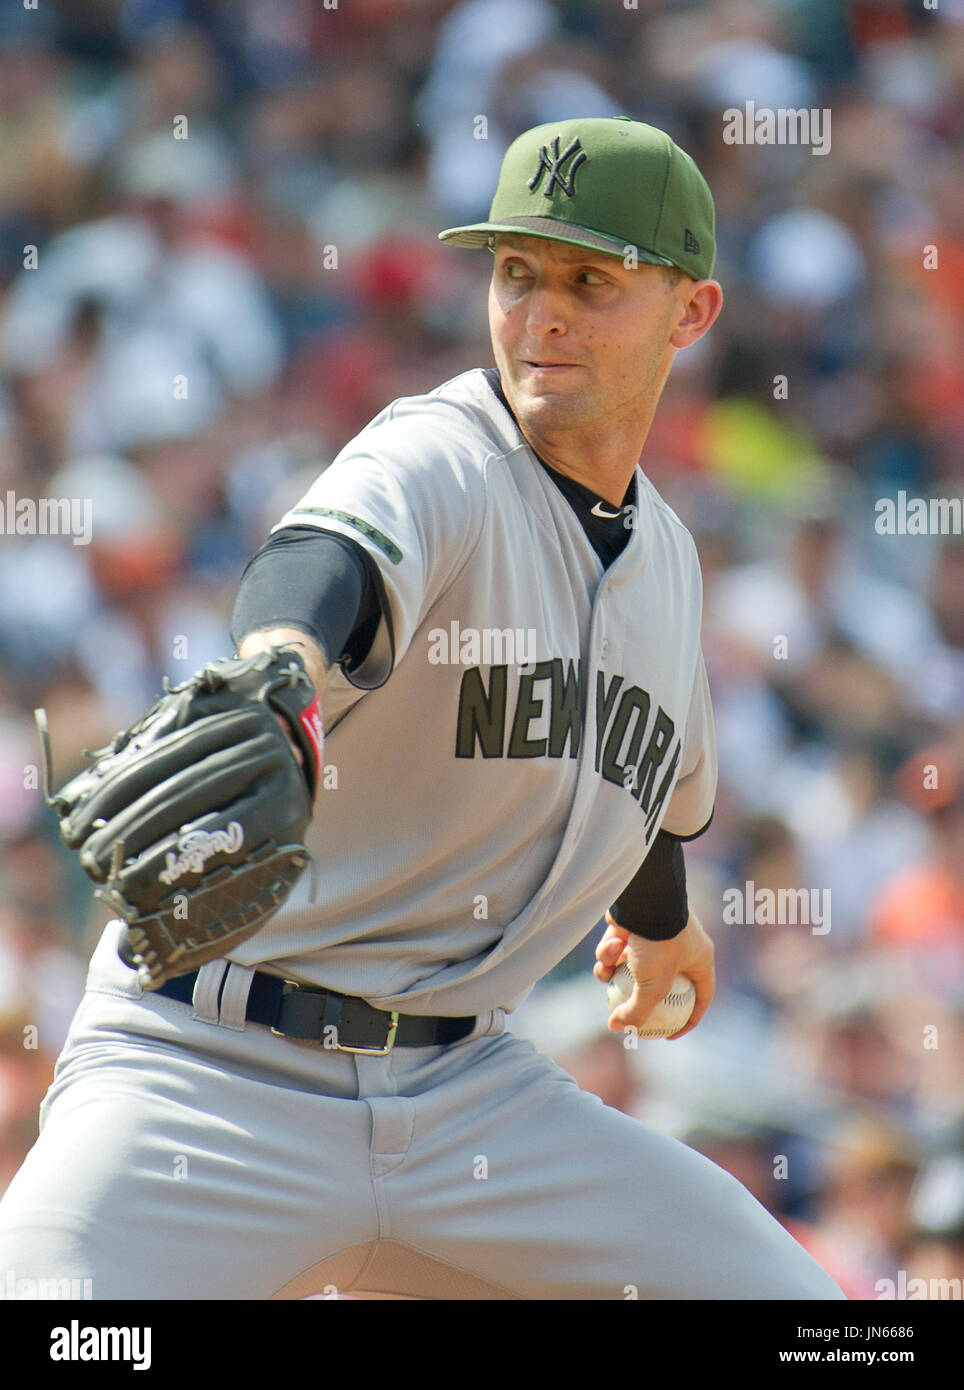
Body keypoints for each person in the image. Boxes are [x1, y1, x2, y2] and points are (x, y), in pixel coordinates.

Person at [0, 117, 844, 1300]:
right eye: (516, 274)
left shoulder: (669, 560)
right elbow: (320, 560)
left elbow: (646, 777)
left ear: (690, 315)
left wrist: (659, 925)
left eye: (589, 281)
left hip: (475, 1107)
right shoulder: (442, 453)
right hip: (205, 1074)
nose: (539, 313)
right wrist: (285, 669)